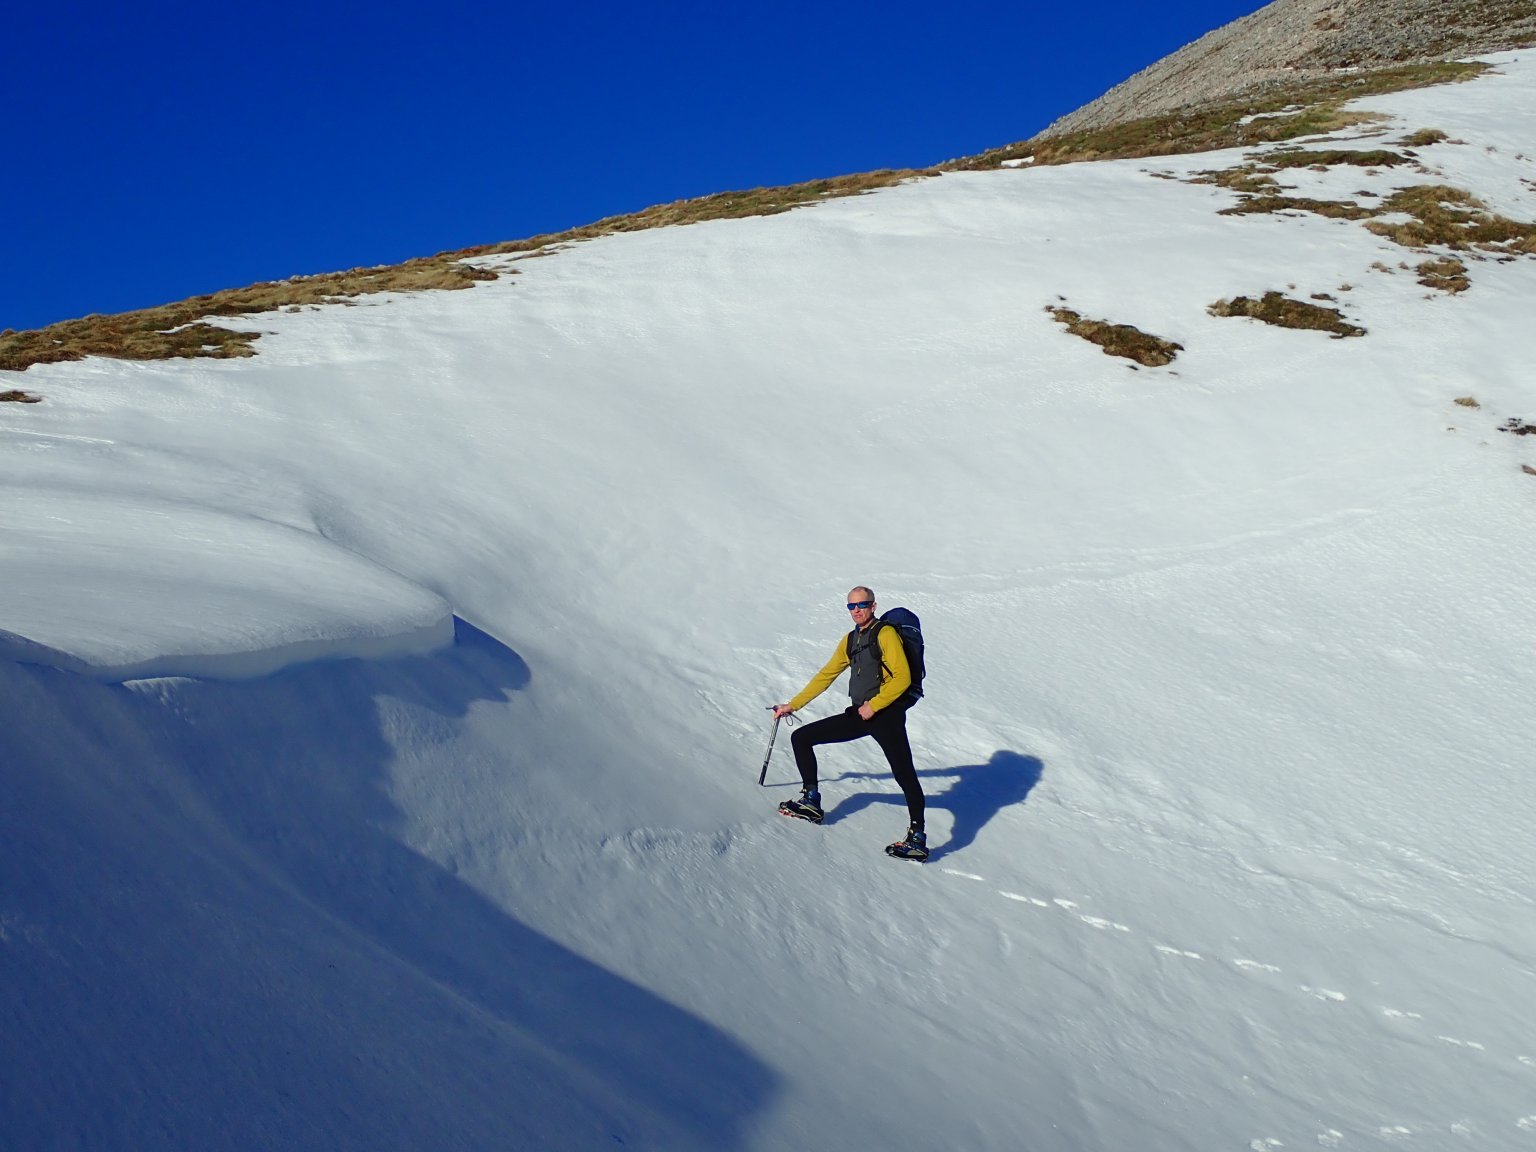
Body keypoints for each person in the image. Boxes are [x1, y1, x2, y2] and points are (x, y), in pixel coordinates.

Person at [772, 586, 928, 861]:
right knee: (802, 737)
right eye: (851, 606)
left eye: (862, 605)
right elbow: (826, 674)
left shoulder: (886, 634)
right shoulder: (850, 639)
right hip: (860, 714)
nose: (856, 610)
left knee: (904, 775)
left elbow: (903, 678)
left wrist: (874, 706)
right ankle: (810, 801)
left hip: (886, 716)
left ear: (873, 606)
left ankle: (917, 839)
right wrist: (793, 705)